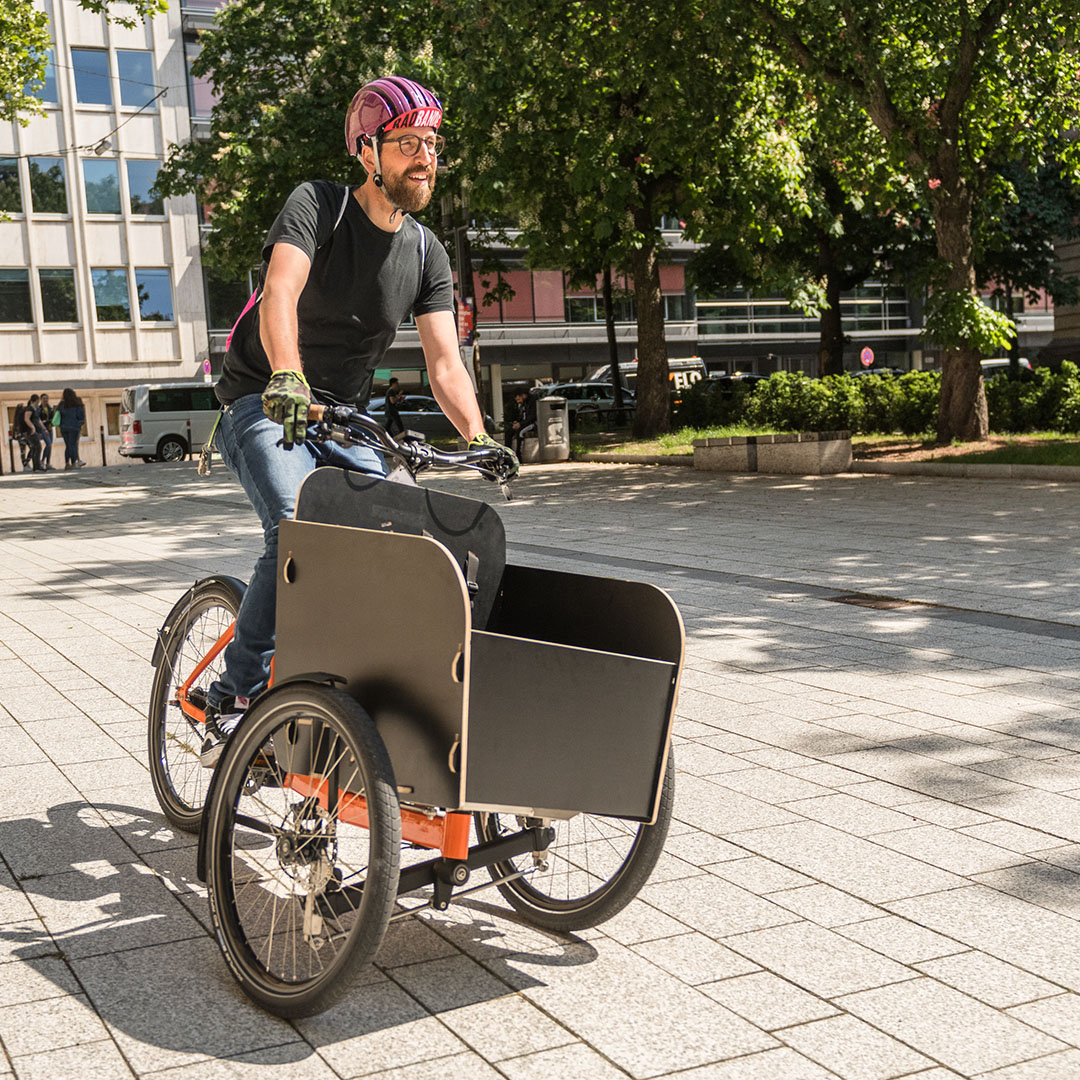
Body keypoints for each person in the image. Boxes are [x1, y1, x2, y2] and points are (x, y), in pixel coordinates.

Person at [204, 75, 518, 763]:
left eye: (432, 144)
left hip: (344, 417)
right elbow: (280, 292)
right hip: (265, 397)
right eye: (408, 143)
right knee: (297, 526)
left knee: (407, 542)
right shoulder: (319, 205)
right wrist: (286, 374)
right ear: (367, 151)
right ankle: (232, 696)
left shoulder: (426, 252)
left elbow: (444, 362)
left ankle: (349, 693)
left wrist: (478, 436)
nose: (425, 157)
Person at [57, 388, 86, 469]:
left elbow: (58, 414)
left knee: (67, 445)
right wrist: (80, 424)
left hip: (64, 427)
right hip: (74, 427)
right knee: (73, 445)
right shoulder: (77, 403)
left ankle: (67, 463)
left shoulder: (61, 404)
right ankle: (73, 463)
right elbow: (81, 415)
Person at [15, 396, 44, 472]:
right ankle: (33, 466)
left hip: (26, 432)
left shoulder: (31, 410)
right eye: (37, 402)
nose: (38, 404)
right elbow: (27, 419)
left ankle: (32, 465)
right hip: (27, 432)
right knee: (36, 447)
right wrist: (32, 427)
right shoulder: (30, 409)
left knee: (33, 448)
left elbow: (37, 420)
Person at [506, 388, 537, 456]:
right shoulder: (523, 404)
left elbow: (532, 417)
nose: (518, 402)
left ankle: (519, 453)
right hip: (524, 422)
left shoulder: (532, 402)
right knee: (509, 431)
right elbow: (522, 415)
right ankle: (508, 452)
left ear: (523, 395)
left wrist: (520, 424)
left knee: (520, 432)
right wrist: (517, 422)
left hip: (531, 423)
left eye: (519, 399)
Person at [36, 393, 54, 471]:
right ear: (41, 399)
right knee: (48, 444)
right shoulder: (39, 409)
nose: (45, 400)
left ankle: (48, 463)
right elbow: (38, 420)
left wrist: (46, 421)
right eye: (44, 398)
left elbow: (53, 419)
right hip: (43, 429)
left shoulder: (50, 408)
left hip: (49, 428)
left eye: (46, 398)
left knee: (50, 446)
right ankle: (42, 460)